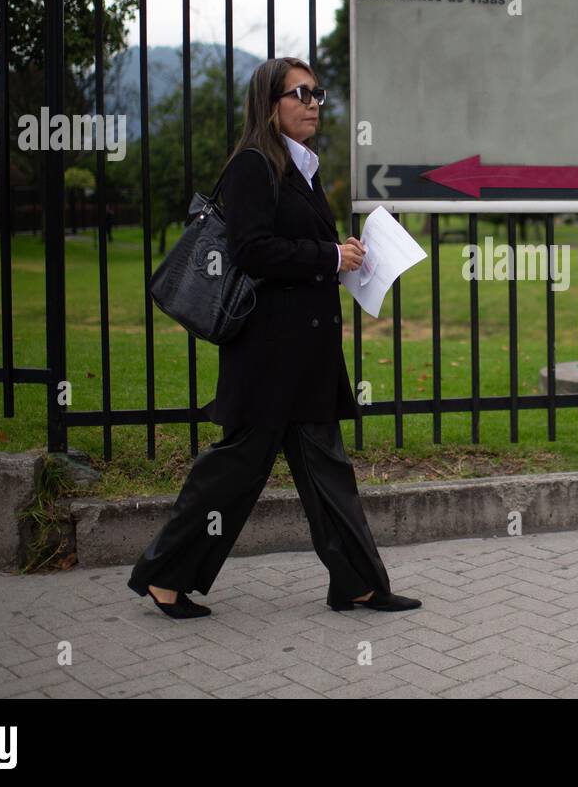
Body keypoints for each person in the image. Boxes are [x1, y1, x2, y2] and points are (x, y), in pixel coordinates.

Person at [126, 56, 420, 618]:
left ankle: (357, 583)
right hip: (267, 354)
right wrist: (329, 255)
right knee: (236, 469)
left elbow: (292, 250)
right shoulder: (252, 167)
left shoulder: (299, 169)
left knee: (327, 471)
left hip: (303, 354)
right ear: (270, 104)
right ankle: (165, 575)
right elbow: (251, 250)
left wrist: (341, 259)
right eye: (299, 93)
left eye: (317, 93)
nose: (312, 102)